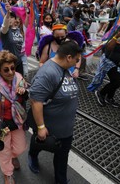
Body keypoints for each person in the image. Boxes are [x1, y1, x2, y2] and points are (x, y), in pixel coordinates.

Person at [27, 41, 83, 184]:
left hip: (66, 127)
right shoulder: (48, 72)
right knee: (39, 143)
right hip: (49, 126)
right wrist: (40, 127)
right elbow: (35, 100)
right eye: (77, 60)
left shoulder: (65, 68)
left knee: (62, 155)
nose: (77, 64)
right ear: (68, 57)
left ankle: (60, 180)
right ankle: (32, 155)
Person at [0, 50, 29, 184]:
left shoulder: (19, 78)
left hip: (17, 122)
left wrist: (25, 93)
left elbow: (27, 90)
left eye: (12, 68)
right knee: (3, 151)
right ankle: (7, 173)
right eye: (6, 70)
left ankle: (12, 157)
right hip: (1, 125)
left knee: (20, 147)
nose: (10, 72)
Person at [88, 30, 120, 108]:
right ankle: (101, 93)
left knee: (117, 82)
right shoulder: (113, 33)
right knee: (116, 82)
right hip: (111, 63)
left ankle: (109, 97)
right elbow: (108, 48)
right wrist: (116, 37)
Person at [0, 4, 25, 76]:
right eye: (8, 17)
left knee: (20, 84)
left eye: (12, 17)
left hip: (19, 62)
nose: (10, 19)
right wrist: (7, 13)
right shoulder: (4, 31)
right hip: (8, 63)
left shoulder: (19, 30)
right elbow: (5, 25)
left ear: (15, 19)